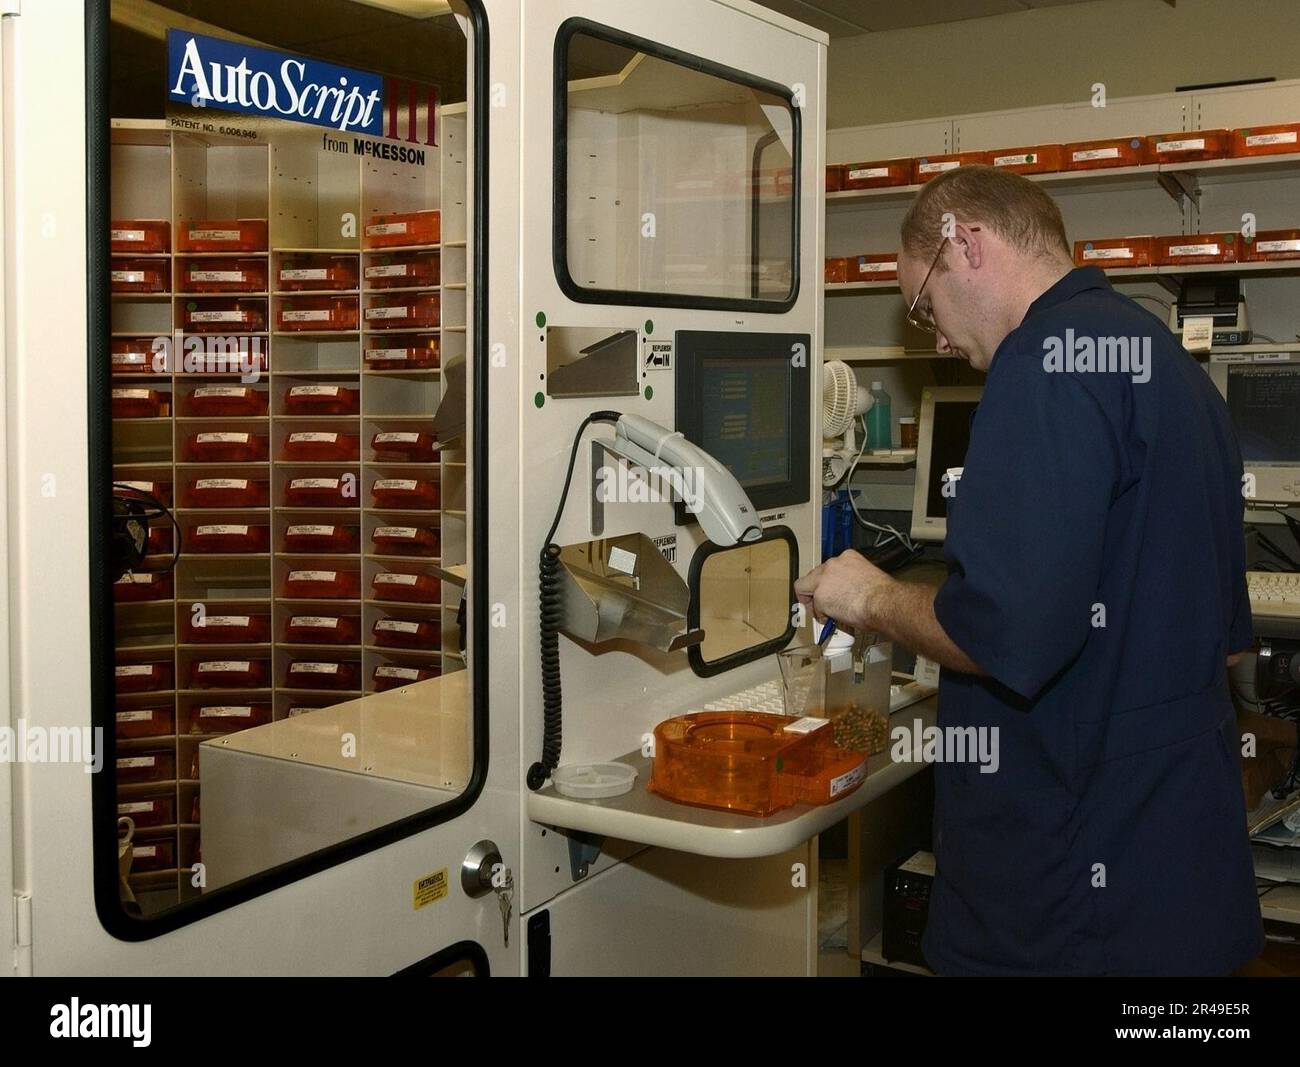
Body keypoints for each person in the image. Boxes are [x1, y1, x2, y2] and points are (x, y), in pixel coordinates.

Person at [795, 165, 1263, 976]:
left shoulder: (1039, 366)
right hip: (1178, 880)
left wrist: (868, 595)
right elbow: (1222, 645)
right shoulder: (1173, 366)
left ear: (964, 243)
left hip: (1068, 898)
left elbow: (1005, 634)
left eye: (923, 306)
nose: (935, 338)